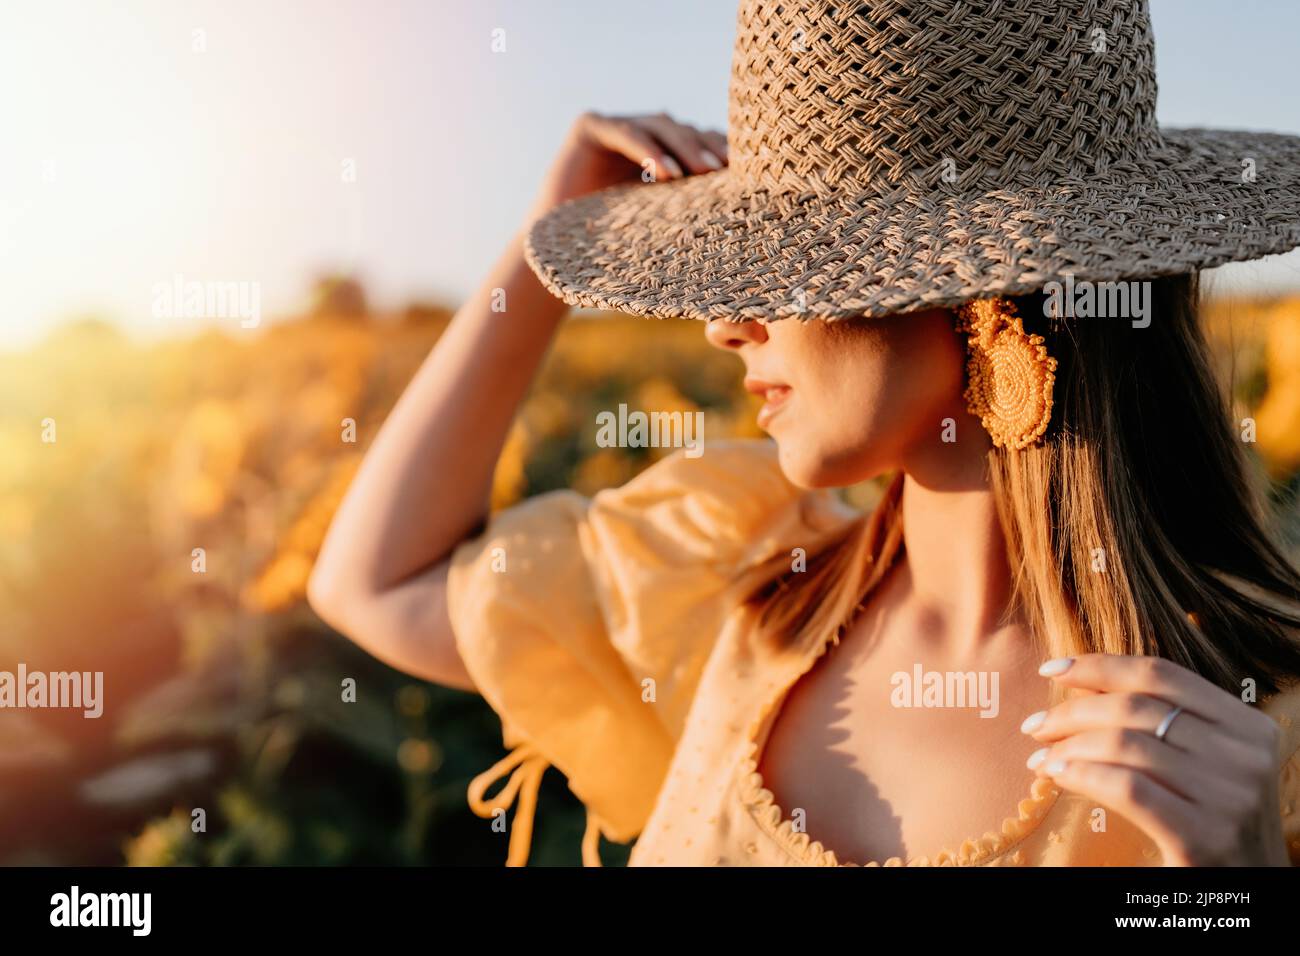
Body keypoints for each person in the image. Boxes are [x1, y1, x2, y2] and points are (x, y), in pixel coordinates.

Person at [309, 0, 1300, 866]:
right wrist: (545, 243)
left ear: (983, 293)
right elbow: (375, 582)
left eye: (791, 264)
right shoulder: (735, 582)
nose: (727, 323)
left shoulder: (1261, 742)